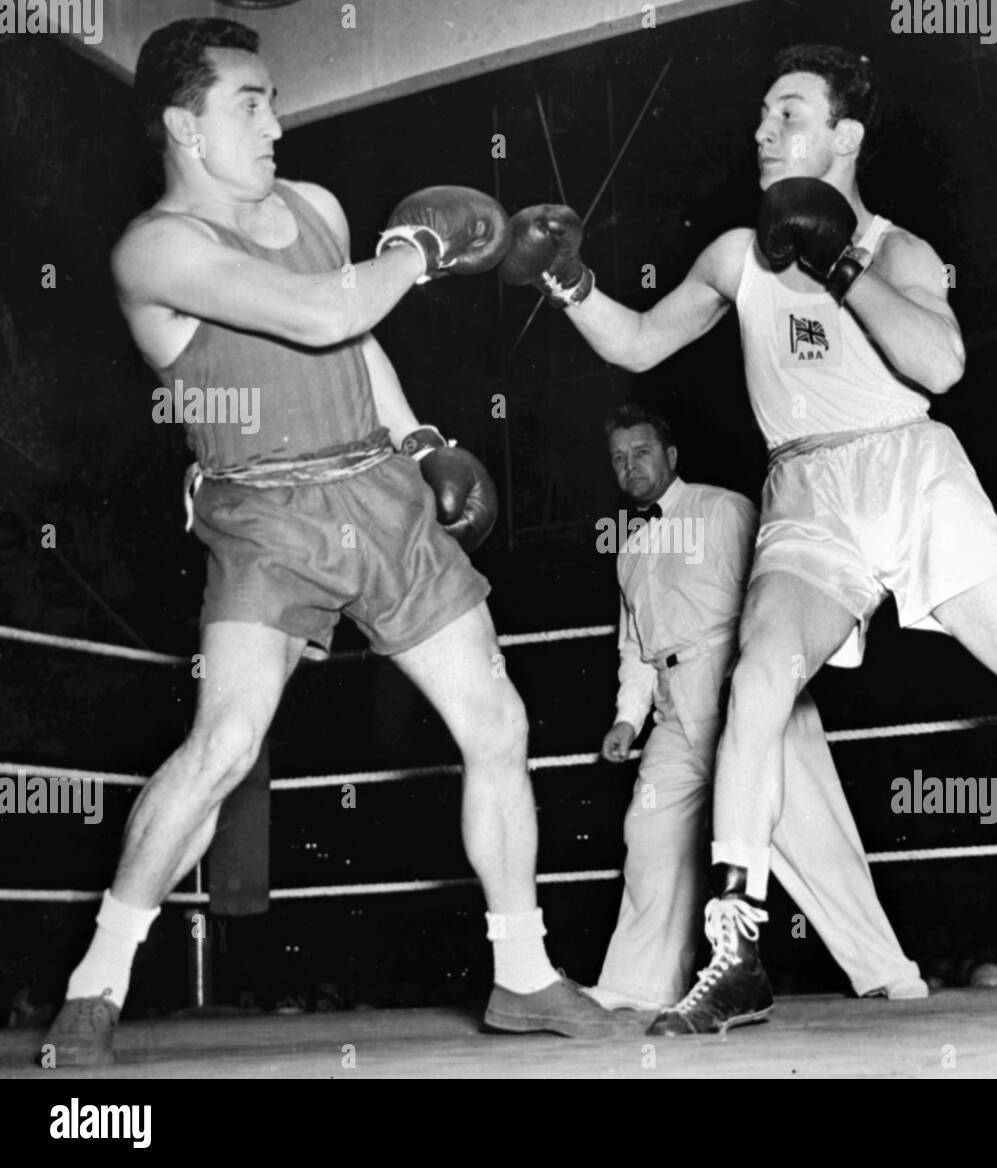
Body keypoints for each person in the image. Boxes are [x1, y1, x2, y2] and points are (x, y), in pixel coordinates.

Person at [497, 43, 997, 1035]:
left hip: (916, 476)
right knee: (757, 676)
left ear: (845, 135)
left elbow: (944, 363)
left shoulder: (899, 250)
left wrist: (840, 261)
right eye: (759, 116)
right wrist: (567, 282)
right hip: (806, 492)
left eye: (787, 113)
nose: (762, 131)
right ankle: (735, 943)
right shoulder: (735, 256)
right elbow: (641, 341)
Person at [40, 17, 617, 1067]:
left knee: (496, 717)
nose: (275, 119)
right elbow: (313, 312)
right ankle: (97, 981)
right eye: (248, 102)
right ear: (183, 123)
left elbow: (355, 338)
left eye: (273, 97)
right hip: (264, 515)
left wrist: (422, 439)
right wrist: (413, 250)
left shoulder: (312, 205)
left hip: (377, 487)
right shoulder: (157, 246)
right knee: (222, 748)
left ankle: (524, 972)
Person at [591, 405, 924, 1012]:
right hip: (671, 707)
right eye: (618, 457)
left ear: (670, 457)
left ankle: (887, 971)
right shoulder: (629, 548)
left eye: (640, 452)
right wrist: (626, 718)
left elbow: (781, 593)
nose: (629, 466)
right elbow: (635, 648)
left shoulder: (726, 510)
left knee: (809, 830)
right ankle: (636, 984)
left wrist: (765, 674)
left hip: (744, 680)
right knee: (652, 830)